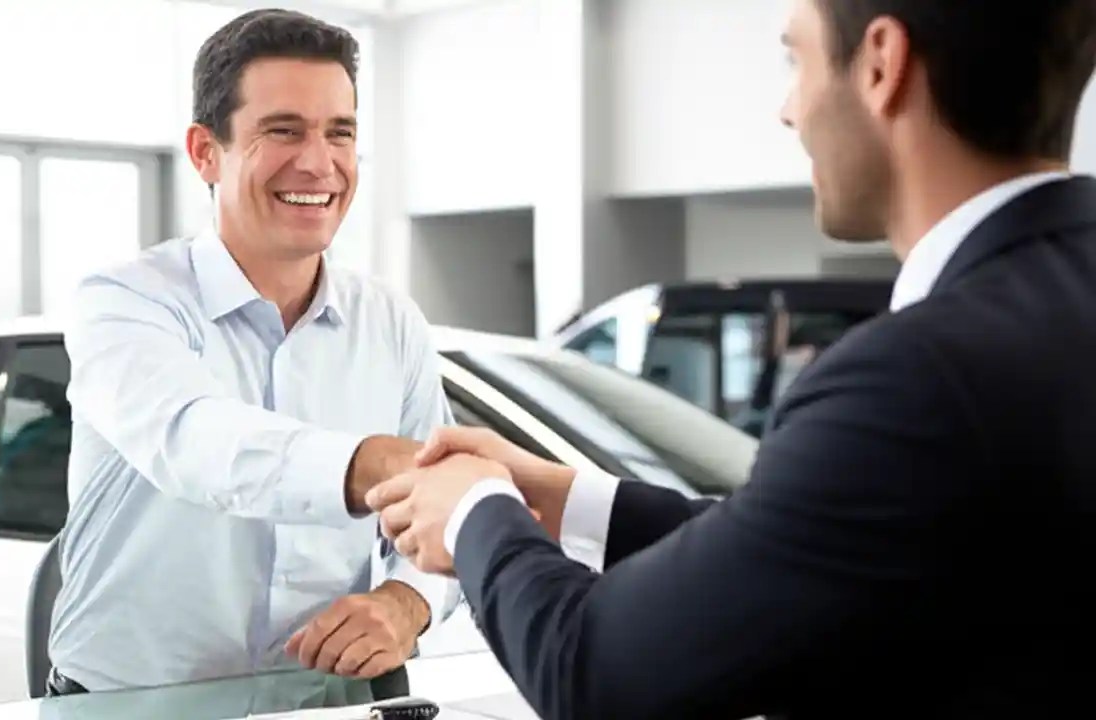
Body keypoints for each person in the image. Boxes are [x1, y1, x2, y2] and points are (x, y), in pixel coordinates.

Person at [367, 1, 1096, 717]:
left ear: (881, 63)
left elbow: (593, 672)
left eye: (795, 59)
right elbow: (803, 549)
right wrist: (569, 501)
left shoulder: (917, 375)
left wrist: (475, 513)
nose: (788, 110)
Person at [48, 9, 455, 696]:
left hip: (329, 705)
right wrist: (366, 465)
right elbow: (196, 440)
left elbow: (439, 527)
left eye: (340, 133)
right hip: (133, 710)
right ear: (206, 151)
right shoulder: (123, 301)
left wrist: (405, 604)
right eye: (283, 131)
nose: (319, 162)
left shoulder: (391, 324)